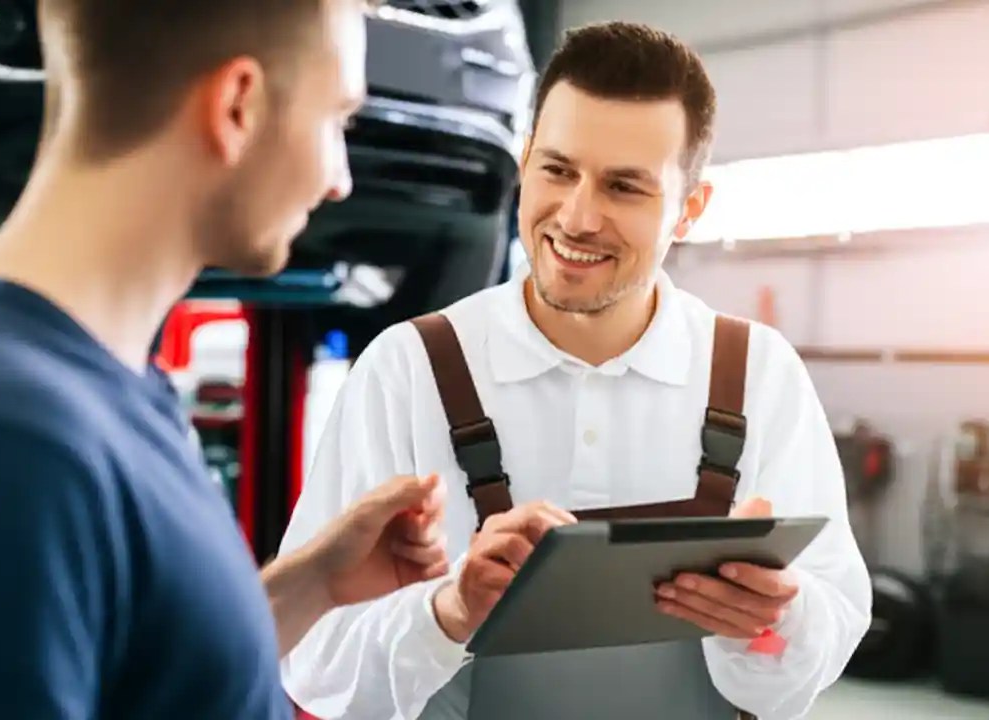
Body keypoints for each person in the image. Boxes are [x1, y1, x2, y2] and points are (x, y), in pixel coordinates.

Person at [277, 20, 873, 720]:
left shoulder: (757, 375)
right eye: (557, 170)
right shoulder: (409, 371)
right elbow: (316, 665)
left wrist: (778, 620)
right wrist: (445, 615)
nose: (578, 217)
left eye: (625, 187)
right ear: (525, 162)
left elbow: (823, 633)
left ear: (689, 210)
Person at [0, 0, 448, 718]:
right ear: (238, 104)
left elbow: (145, 679)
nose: (340, 179)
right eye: (337, 118)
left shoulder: (80, 390)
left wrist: (315, 584)